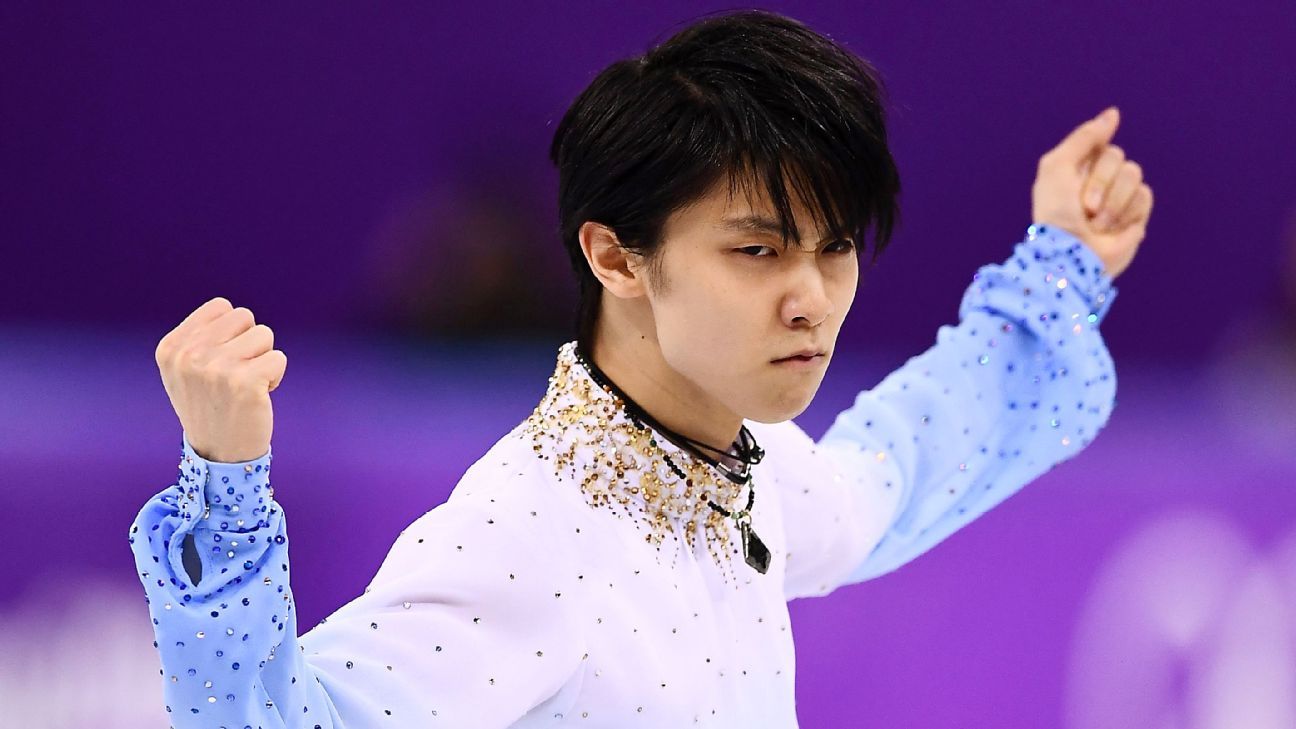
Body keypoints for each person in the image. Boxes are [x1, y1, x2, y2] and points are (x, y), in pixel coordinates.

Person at [129, 9, 1153, 728]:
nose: (811, 297)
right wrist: (226, 490)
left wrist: (1059, 268)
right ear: (616, 257)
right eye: (758, 249)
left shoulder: (751, 467)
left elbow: (901, 464)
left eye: (835, 247)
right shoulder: (524, 542)